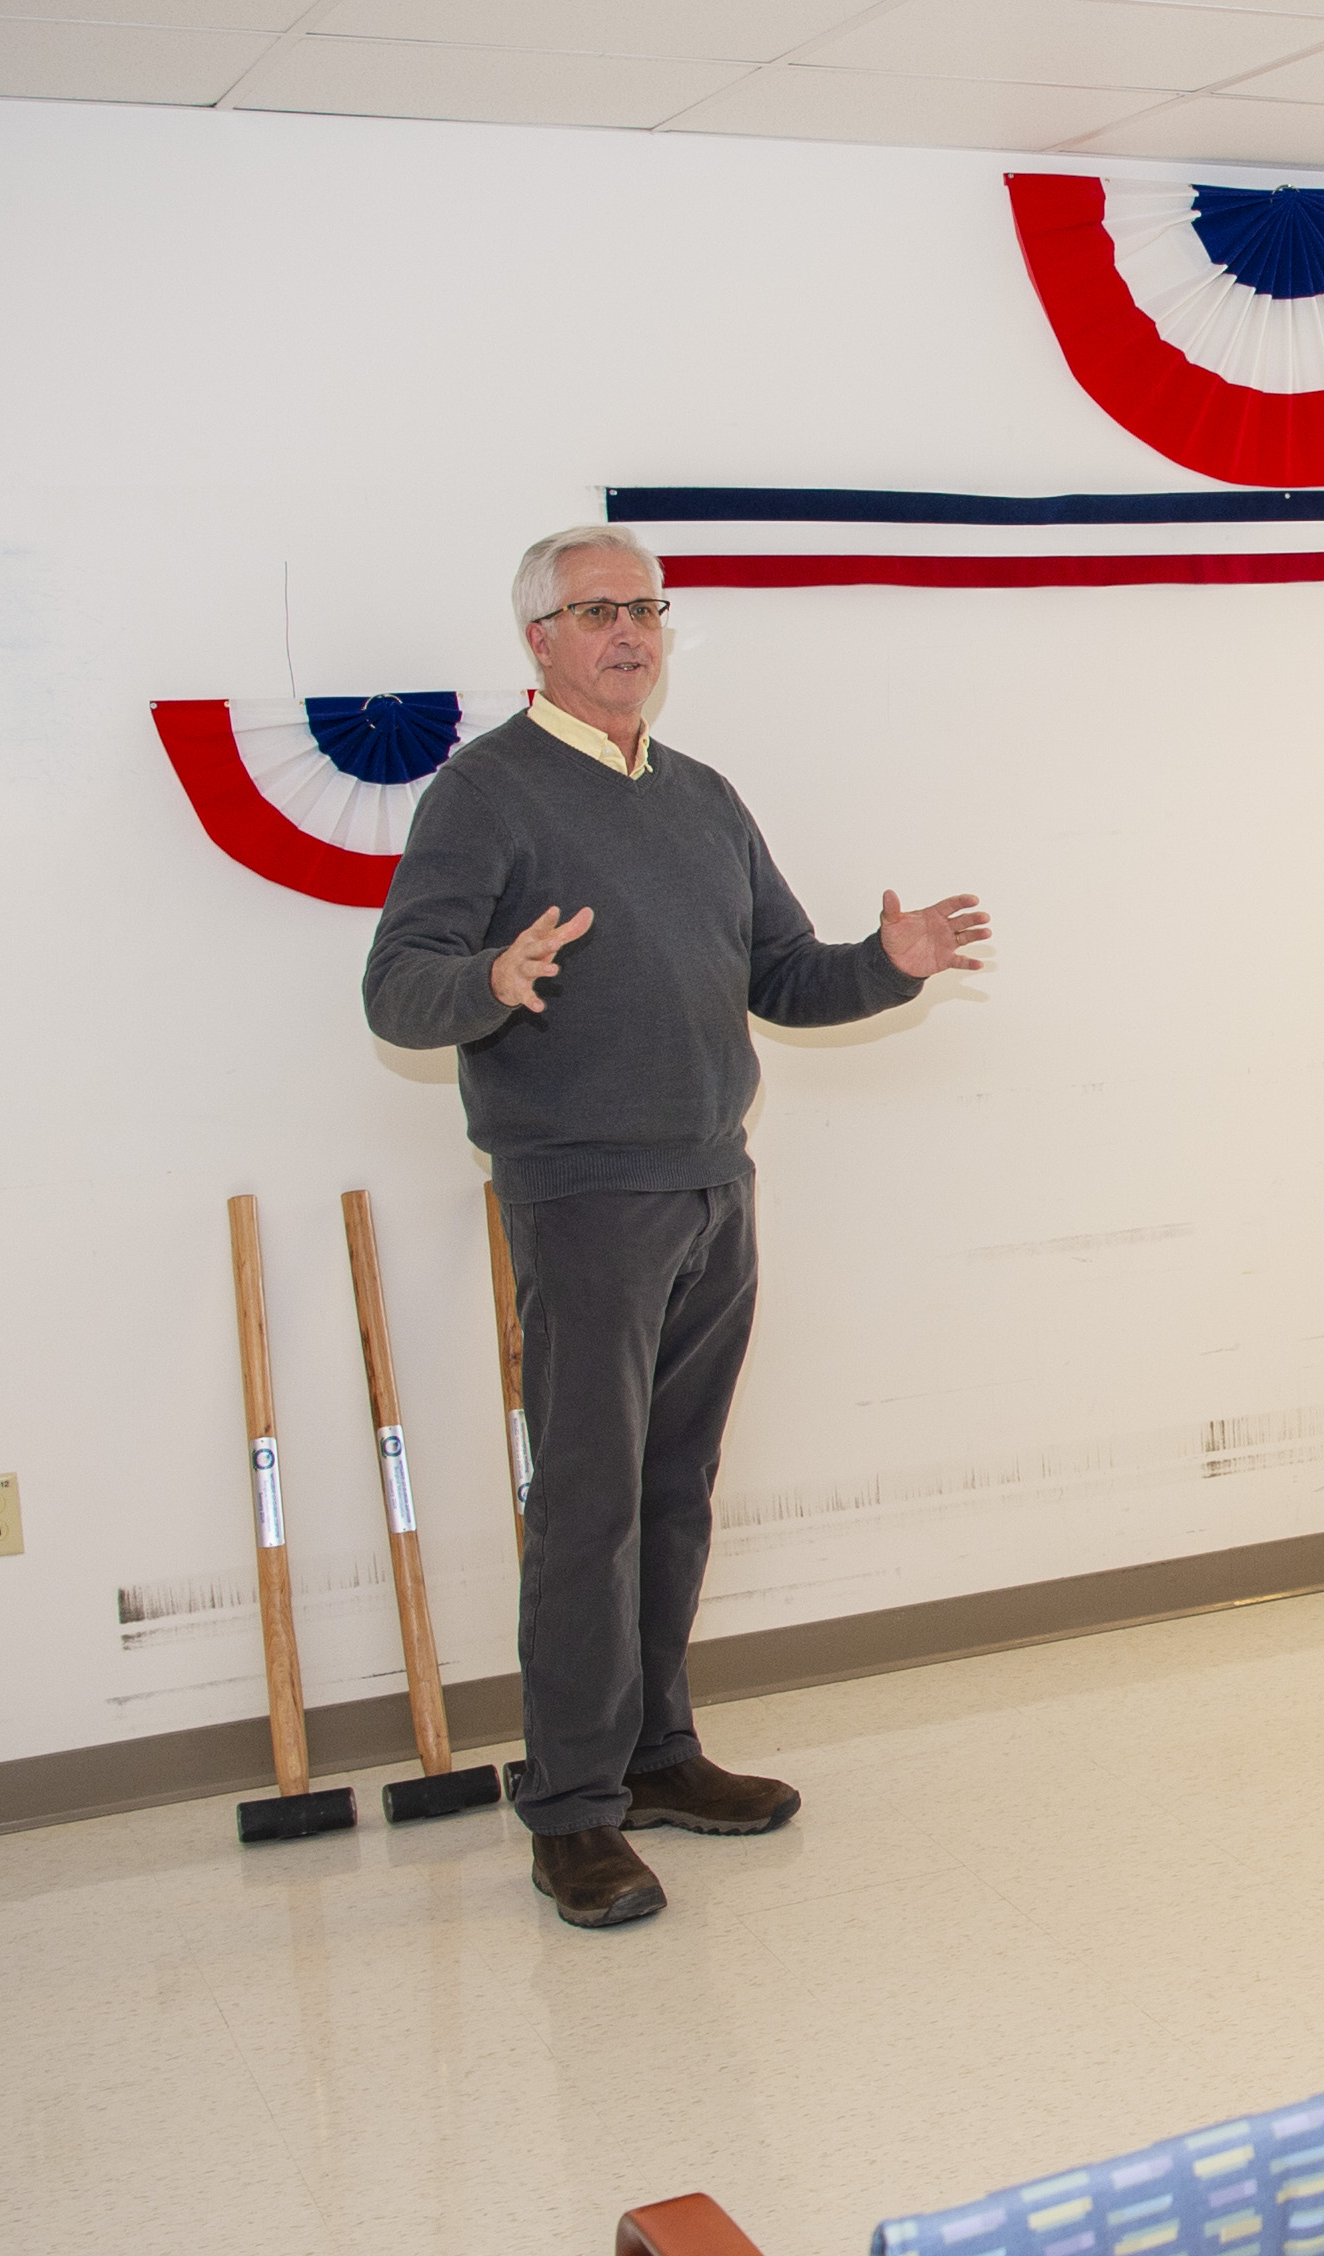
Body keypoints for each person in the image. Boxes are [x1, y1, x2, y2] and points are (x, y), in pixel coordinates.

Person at [362, 527, 988, 1930]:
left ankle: (655, 1755)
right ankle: (574, 1809)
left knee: (672, 1491)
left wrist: (882, 969)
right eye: (598, 612)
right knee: (585, 1505)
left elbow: (781, 975)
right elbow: (397, 990)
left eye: (646, 609)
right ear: (539, 638)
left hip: (715, 1184)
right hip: (582, 1194)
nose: (631, 632)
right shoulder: (485, 795)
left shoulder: (702, 797)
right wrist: (490, 978)